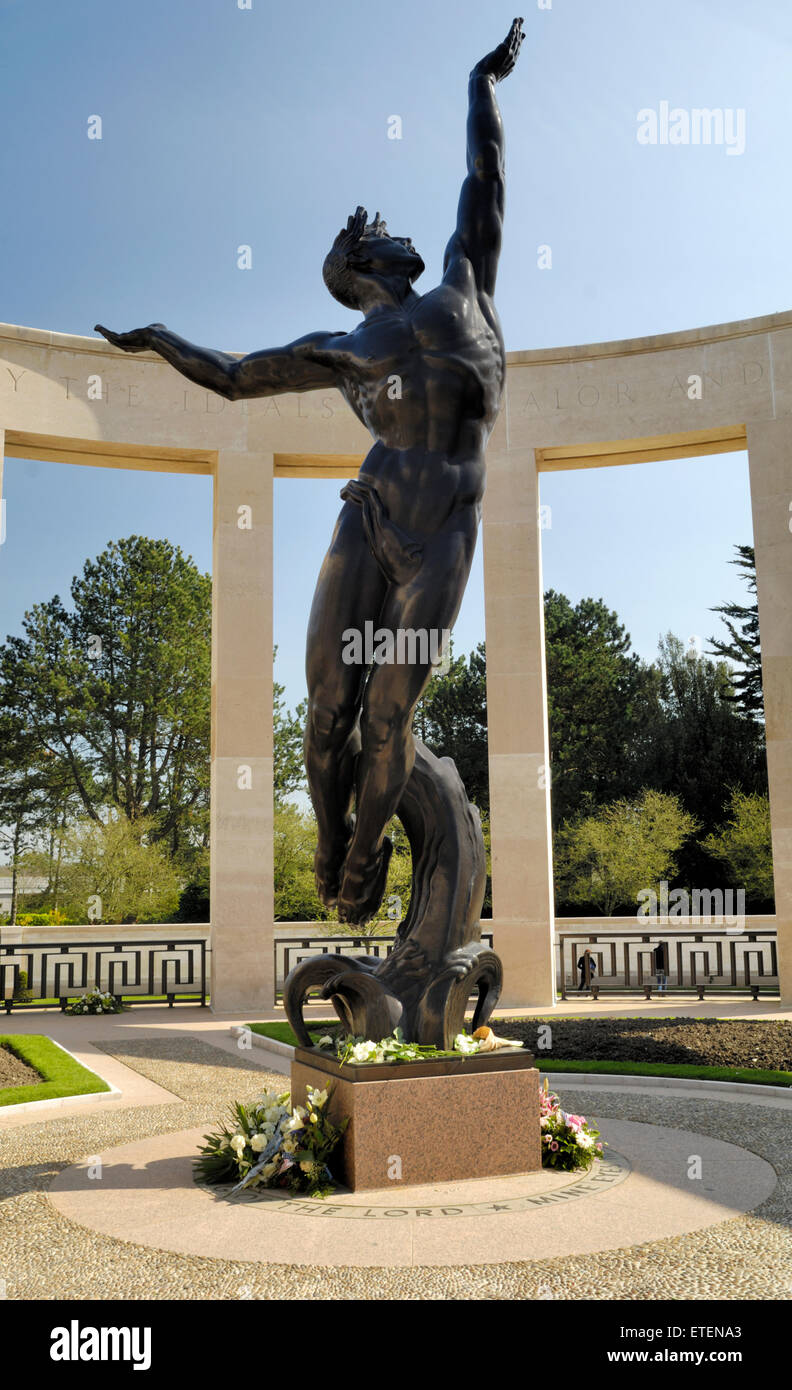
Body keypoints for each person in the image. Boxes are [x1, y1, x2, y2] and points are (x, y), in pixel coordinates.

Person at [95, 19, 526, 927]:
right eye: (377, 239)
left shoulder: (465, 288)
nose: (401, 236)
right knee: (327, 705)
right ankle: (331, 842)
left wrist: (481, 80)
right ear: (360, 269)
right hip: (369, 516)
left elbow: (485, 174)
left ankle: (365, 854)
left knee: (386, 715)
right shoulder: (339, 347)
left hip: (443, 530)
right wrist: (155, 338)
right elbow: (232, 375)